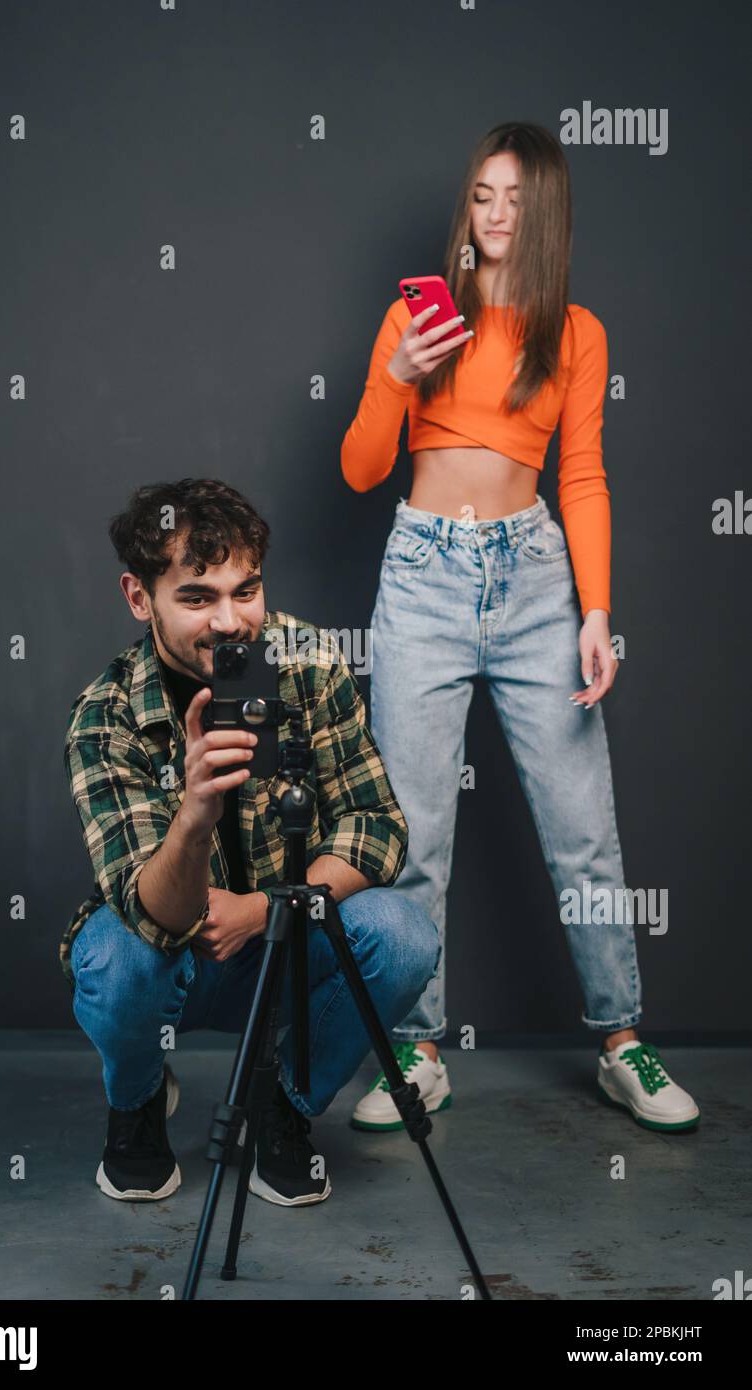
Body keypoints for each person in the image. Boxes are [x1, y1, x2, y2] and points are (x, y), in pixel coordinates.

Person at [340, 121, 699, 1135]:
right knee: (414, 838)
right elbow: (359, 467)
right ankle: (411, 1046)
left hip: (535, 578)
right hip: (422, 578)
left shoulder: (574, 333)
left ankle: (620, 1040)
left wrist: (595, 610)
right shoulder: (417, 320)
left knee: (582, 833)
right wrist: (399, 372)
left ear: (545, 218)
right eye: (483, 195)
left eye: (517, 200)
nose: (496, 215)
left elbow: (579, 473)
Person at [60, 477, 440, 1205]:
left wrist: (264, 910)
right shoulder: (103, 717)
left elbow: (376, 826)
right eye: (198, 597)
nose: (232, 622)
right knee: (114, 955)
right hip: (175, 960)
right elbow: (151, 915)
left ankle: (283, 1106)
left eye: (247, 591)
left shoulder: (307, 661)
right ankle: (137, 1102)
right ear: (141, 599)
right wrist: (196, 807)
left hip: (284, 945)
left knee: (402, 933)